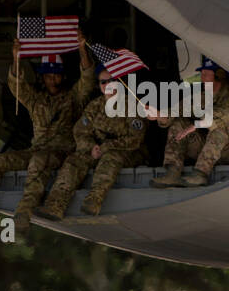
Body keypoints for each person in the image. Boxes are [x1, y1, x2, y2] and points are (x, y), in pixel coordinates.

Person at [0, 33, 93, 234]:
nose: (53, 79)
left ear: (64, 76)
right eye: (49, 75)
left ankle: (23, 215)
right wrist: (16, 57)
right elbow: (17, 86)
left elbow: (87, 78)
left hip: (61, 152)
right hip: (36, 149)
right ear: (42, 77)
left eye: (57, 75)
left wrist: (82, 49)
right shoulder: (36, 99)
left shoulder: (72, 99)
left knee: (38, 162)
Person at [38, 65, 148, 219]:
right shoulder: (95, 106)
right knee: (75, 161)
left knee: (110, 158)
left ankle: (94, 201)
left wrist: (106, 147)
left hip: (127, 152)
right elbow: (80, 131)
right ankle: (55, 205)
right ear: (99, 85)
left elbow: (135, 139)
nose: (108, 85)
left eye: (112, 81)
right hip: (97, 150)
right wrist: (91, 147)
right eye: (104, 82)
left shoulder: (132, 104)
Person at [149, 57, 229, 187]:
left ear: (218, 76)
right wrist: (159, 115)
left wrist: (195, 125)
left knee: (223, 124)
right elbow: (177, 110)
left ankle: (201, 173)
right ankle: (173, 172)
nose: (202, 78)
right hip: (215, 150)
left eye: (206, 74)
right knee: (179, 124)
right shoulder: (203, 96)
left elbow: (217, 118)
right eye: (202, 74)